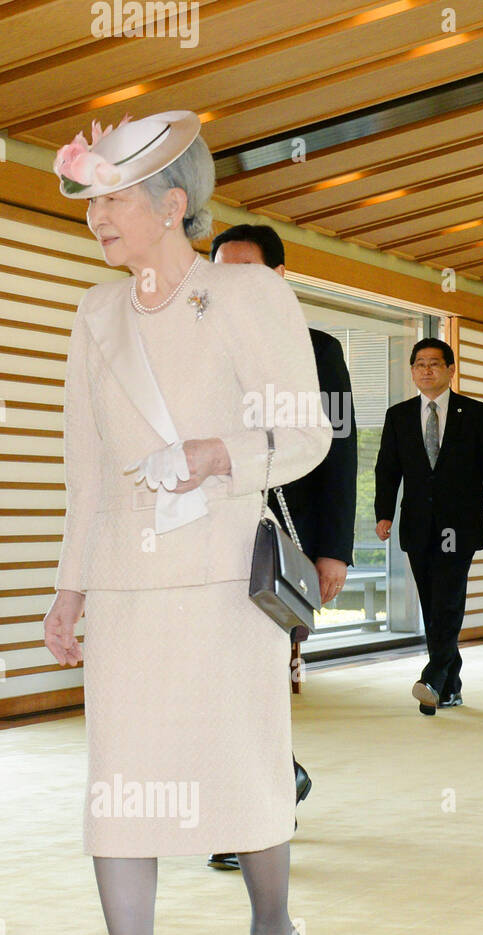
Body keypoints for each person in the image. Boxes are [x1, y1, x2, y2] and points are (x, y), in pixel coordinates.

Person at [44, 111, 331, 935]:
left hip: (221, 576)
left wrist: (224, 454)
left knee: (242, 768)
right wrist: (68, 590)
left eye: (113, 197)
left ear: (174, 206)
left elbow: (307, 434)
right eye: (91, 200)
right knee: (117, 792)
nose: (97, 216)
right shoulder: (96, 314)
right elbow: (86, 468)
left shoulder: (246, 294)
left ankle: (272, 932)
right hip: (129, 584)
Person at [207, 222, 358, 870]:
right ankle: (274, 784)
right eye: (221, 272)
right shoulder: (193, 341)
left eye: (248, 272)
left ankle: (252, 816)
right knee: (217, 682)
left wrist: (333, 550)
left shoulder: (318, 348)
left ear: (280, 278)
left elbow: (340, 454)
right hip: (208, 538)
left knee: (260, 681)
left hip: (281, 541)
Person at [374, 338, 483, 714]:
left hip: (458, 525)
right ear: (412, 371)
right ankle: (450, 686)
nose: (426, 370)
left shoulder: (475, 413)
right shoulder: (398, 415)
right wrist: (384, 513)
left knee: (447, 597)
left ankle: (432, 676)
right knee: (433, 604)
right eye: (419, 364)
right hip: (417, 524)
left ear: (450, 370)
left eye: (434, 363)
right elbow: (387, 468)